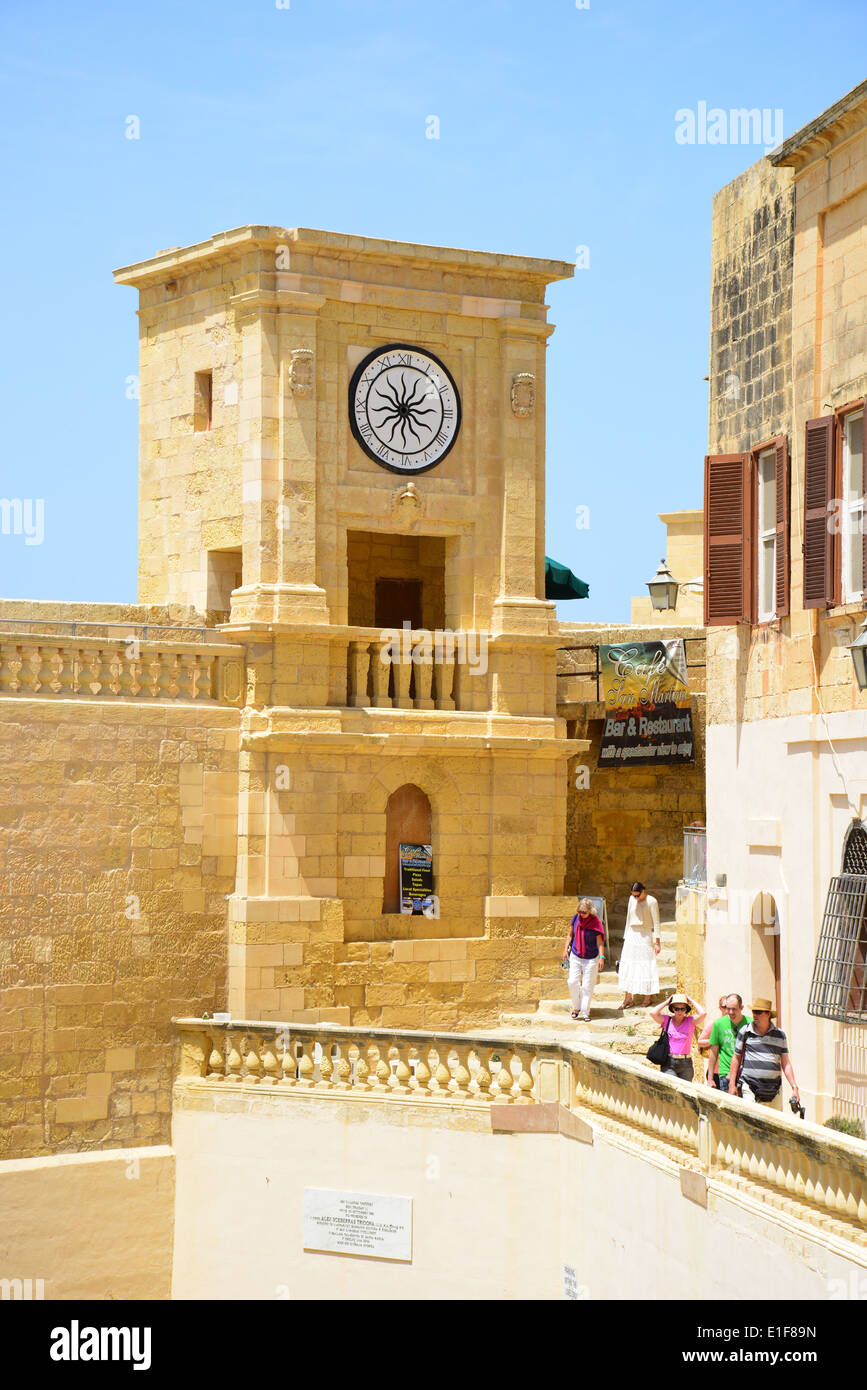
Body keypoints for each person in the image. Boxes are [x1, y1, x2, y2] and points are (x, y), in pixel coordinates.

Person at [728, 998, 800, 1110]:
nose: (754, 1015)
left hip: (773, 1090)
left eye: (758, 1012)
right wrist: (732, 1084)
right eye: (753, 1012)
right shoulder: (745, 1031)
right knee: (751, 1118)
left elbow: (786, 1063)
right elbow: (736, 1058)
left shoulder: (780, 1035)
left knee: (773, 1124)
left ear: (768, 1014)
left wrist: (794, 1087)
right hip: (749, 1086)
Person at [562, 898, 606, 1021]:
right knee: (572, 982)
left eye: (584, 912)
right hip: (576, 955)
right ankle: (576, 1007)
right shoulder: (576, 918)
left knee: (587, 985)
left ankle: (585, 1011)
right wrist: (566, 949)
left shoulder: (596, 922)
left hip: (591, 957)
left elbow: (600, 942)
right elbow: (570, 935)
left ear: (590, 912)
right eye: (580, 911)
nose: (581, 914)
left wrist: (602, 957)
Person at [618, 881, 661, 1008]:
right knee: (628, 964)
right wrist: (626, 936)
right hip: (632, 934)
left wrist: (657, 942)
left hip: (645, 935)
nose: (635, 898)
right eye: (634, 895)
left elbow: (657, 922)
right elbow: (628, 918)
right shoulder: (631, 899)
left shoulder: (652, 901)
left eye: (638, 895)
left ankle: (648, 997)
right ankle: (628, 998)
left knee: (645, 965)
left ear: (643, 891)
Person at [649, 992, 706, 1081]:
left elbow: (703, 1013)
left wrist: (691, 1000)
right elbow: (652, 1013)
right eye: (677, 1008)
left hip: (686, 1063)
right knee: (671, 1087)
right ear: (672, 1009)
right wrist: (667, 1002)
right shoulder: (667, 1020)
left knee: (685, 1091)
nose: (679, 1011)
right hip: (669, 1062)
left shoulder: (690, 1021)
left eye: (682, 1009)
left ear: (686, 1009)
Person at [706, 994, 751, 1091]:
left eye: (734, 1009)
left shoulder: (750, 1023)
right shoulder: (718, 1024)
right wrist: (710, 1079)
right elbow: (713, 1051)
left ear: (741, 1007)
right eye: (728, 1008)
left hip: (746, 1075)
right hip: (725, 1075)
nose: (730, 1012)